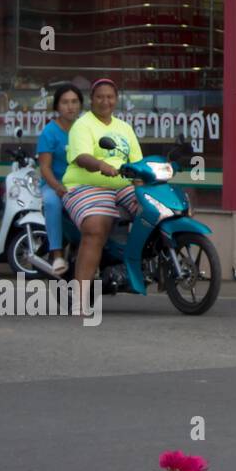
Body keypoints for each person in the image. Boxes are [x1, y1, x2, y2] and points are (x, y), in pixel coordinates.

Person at [61, 79, 143, 304]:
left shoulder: (124, 127)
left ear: (116, 100)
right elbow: (83, 157)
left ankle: (142, 267)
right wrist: (100, 165)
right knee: (97, 226)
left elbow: (137, 163)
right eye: (100, 97)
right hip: (87, 185)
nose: (105, 101)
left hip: (122, 184)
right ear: (92, 99)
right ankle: (79, 299)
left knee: (157, 211)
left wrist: (143, 190)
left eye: (110, 97)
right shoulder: (83, 125)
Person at [35, 83, 82, 276]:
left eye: (74, 102)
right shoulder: (49, 132)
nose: (70, 107)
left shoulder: (84, 128)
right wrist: (57, 186)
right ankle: (57, 254)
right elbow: (44, 167)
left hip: (80, 183)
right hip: (53, 184)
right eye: (65, 102)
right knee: (52, 203)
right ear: (57, 106)